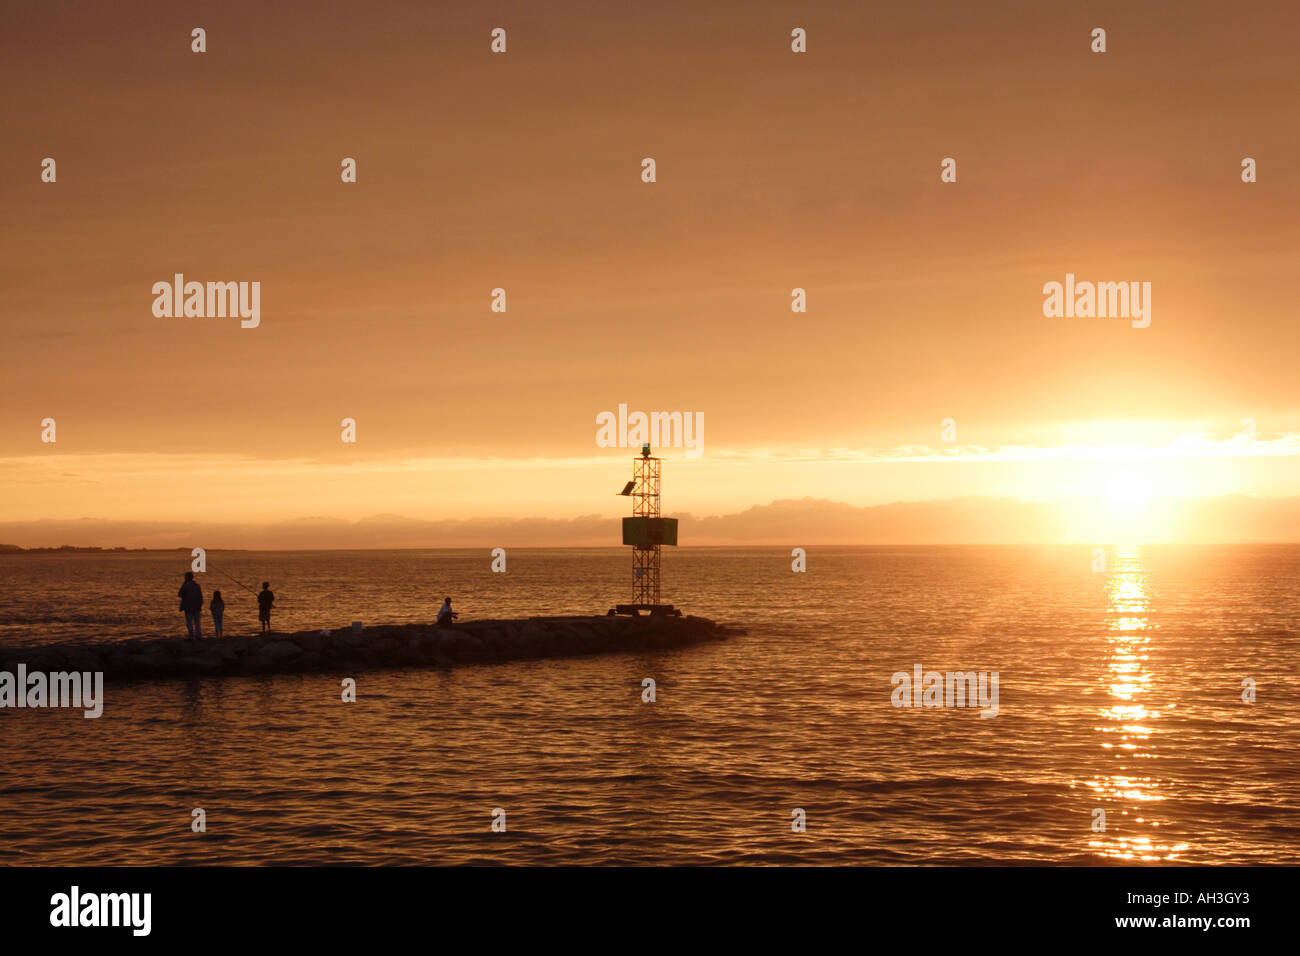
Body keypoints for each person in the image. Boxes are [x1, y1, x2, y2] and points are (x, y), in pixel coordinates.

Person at [178, 571, 203, 639]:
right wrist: (200, 605)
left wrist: (183, 584)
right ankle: (198, 636)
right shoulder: (197, 585)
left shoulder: (185, 585)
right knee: (197, 622)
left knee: (189, 622)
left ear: (186, 578)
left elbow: (179, 594)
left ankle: (191, 636)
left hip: (188, 607)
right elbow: (200, 597)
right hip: (197, 607)